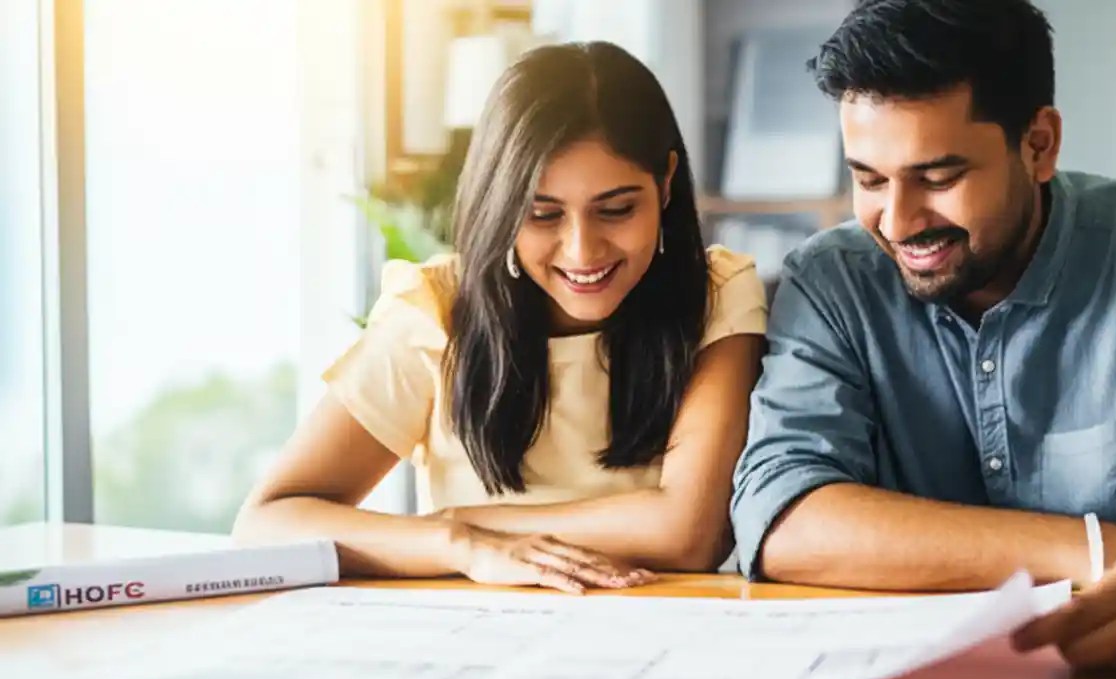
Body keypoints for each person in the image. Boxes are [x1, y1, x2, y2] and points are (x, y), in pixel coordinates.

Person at [731, 0, 1116, 672]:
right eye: (869, 179)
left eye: (939, 177)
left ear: (1039, 144)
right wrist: (1100, 552)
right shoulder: (832, 281)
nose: (898, 223)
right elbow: (783, 516)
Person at [235, 41, 766, 594]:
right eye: (542, 214)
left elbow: (688, 531)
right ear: (499, 200)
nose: (582, 251)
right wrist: (459, 546)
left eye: (616, 210)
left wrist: (455, 521)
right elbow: (267, 522)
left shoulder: (718, 294)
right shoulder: (437, 310)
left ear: (665, 184)